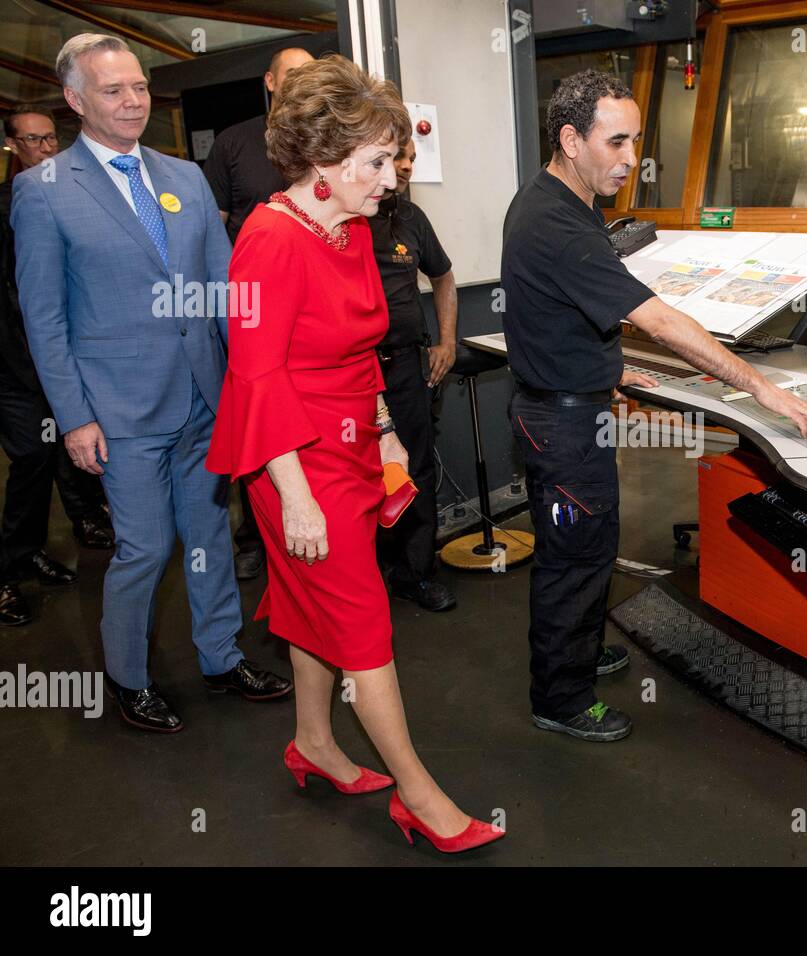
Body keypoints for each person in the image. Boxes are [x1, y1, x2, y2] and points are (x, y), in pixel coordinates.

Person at [205, 55, 502, 854]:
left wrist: (387, 428)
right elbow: (257, 378)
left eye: (390, 159)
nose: (390, 177)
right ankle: (420, 796)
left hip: (352, 446)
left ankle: (315, 743)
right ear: (324, 162)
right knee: (365, 625)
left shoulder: (349, 227)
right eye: (375, 161)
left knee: (311, 611)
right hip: (292, 461)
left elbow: (361, 346)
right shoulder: (268, 243)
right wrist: (296, 497)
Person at [502, 70, 807, 742]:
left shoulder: (558, 200)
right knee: (575, 556)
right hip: (562, 426)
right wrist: (759, 387)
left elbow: (564, 318)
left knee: (588, 545)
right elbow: (661, 322)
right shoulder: (557, 223)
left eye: (635, 141)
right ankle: (562, 698)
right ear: (570, 139)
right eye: (616, 142)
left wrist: (612, 377)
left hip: (570, 406)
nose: (631, 159)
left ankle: (581, 653)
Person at [11, 34, 290, 730]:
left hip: (203, 395)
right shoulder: (41, 193)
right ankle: (129, 677)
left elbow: (225, 288)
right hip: (118, 411)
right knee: (144, 548)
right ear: (76, 100)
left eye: (139, 87)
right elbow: (43, 319)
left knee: (209, 534)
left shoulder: (184, 177)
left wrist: (257, 377)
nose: (133, 100)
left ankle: (221, 657)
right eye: (114, 90)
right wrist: (74, 418)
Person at [1, 104, 115, 628]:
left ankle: (27, 552)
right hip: (11, 362)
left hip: (46, 358)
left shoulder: (67, 197)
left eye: (49, 140)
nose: (43, 149)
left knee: (43, 457)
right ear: (12, 146)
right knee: (29, 456)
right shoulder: (10, 201)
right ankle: (7, 574)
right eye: (30, 141)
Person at [204, 46, 314, 581]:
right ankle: (255, 533)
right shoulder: (233, 143)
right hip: (251, 307)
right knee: (257, 408)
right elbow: (214, 227)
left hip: (309, 308)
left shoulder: (320, 143)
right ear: (270, 81)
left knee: (303, 411)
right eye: (293, 76)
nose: (301, 84)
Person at [368, 137, 457, 612]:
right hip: (356, 372)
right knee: (366, 474)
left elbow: (443, 276)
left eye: (408, 159)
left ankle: (417, 575)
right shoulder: (350, 216)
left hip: (407, 367)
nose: (402, 167)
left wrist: (446, 341)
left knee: (415, 470)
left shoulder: (412, 218)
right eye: (392, 158)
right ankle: (367, 578)